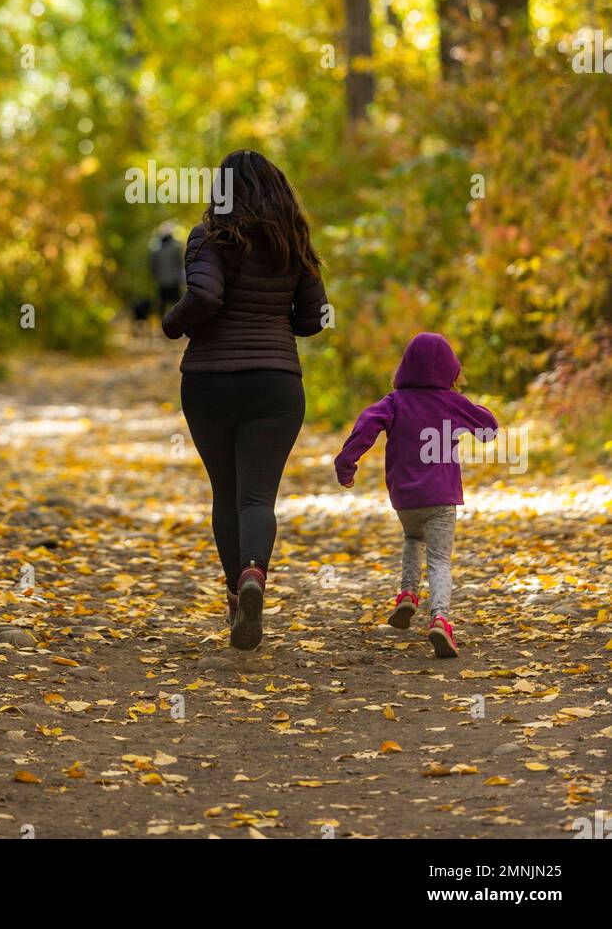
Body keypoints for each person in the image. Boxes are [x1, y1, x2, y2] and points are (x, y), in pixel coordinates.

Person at [162, 150, 327, 650]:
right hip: (275, 383)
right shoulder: (293, 243)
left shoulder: (209, 237)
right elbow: (316, 316)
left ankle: (237, 596)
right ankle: (255, 574)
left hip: (211, 381)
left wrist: (173, 323)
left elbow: (206, 297)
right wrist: (278, 323)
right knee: (257, 497)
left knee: (226, 493)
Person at [334, 331, 497, 658]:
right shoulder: (452, 403)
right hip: (442, 499)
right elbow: (489, 429)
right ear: (451, 371)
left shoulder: (394, 403)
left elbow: (365, 426)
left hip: (406, 499)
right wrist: (467, 408)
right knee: (439, 559)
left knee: (412, 539)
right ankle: (440, 619)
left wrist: (346, 464)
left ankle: (407, 594)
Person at [149, 226, 184, 317]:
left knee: (162, 306)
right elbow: (180, 264)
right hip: (174, 282)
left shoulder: (156, 251)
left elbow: (153, 267)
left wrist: (156, 278)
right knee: (178, 305)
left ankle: (163, 325)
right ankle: (180, 325)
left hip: (162, 283)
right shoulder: (176, 247)